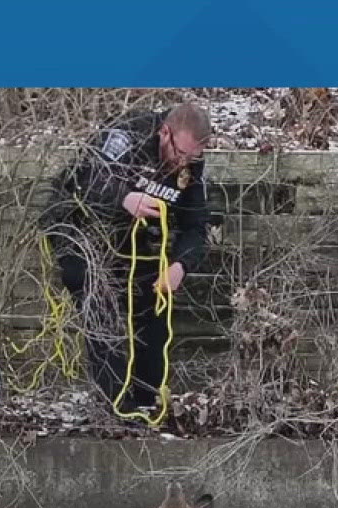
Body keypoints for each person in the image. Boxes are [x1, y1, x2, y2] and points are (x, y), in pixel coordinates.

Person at [42, 102, 211, 422]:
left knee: (152, 302)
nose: (184, 163)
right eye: (181, 153)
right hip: (80, 230)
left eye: (193, 157)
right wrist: (124, 197)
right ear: (165, 133)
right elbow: (86, 177)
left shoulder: (191, 166)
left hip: (132, 240)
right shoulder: (128, 133)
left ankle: (148, 400)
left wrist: (180, 267)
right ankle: (117, 405)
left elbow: (196, 226)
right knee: (100, 300)